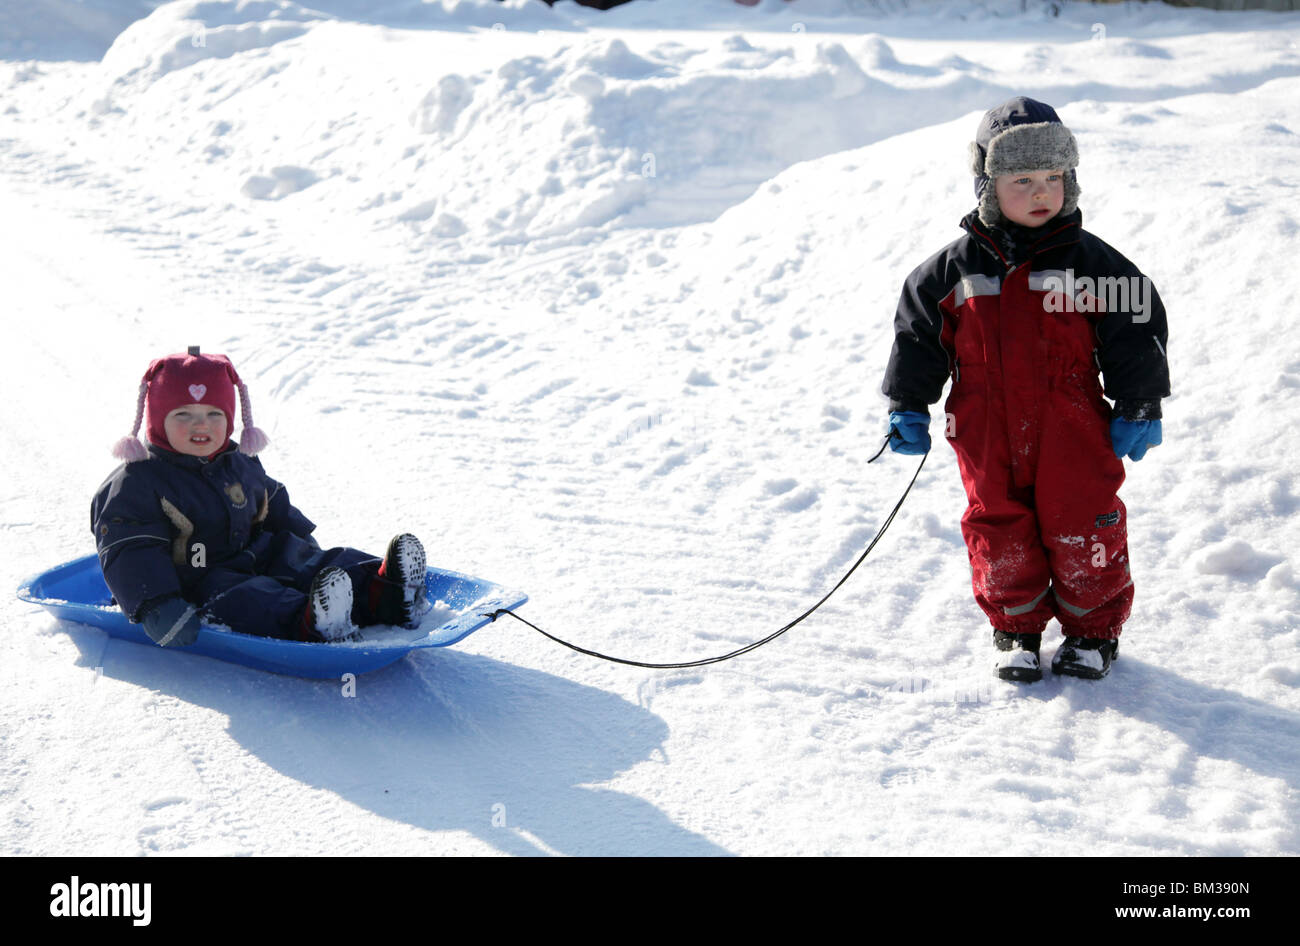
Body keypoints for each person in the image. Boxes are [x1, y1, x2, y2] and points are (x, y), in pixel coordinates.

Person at [881, 97, 1169, 682]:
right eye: (1022, 179)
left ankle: (1092, 630)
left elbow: (1136, 330)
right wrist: (908, 405)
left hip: (1074, 424)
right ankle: (1015, 624)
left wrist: (1139, 404)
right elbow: (917, 338)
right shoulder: (950, 274)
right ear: (988, 185)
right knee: (998, 522)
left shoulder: (1096, 267)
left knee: (1084, 520)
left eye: (1053, 178)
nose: (1042, 193)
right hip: (985, 428)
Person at [92, 347, 429, 648]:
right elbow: (129, 547)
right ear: (157, 421)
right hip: (196, 578)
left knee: (314, 562)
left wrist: (302, 543)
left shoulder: (237, 461)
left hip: (254, 554)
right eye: (184, 415)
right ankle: (312, 621)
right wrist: (157, 603)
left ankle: (384, 592)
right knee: (245, 597)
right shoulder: (138, 481)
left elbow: (272, 500)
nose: (201, 426)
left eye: (214, 414)